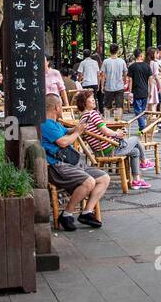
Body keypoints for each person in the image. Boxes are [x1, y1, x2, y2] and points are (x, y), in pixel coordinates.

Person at [41, 94, 110, 231]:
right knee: (89, 181)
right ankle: (66, 214)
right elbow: (63, 142)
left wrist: (80, 127)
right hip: (57, 167)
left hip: (70, 164)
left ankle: (87, 212)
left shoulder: (55, 124)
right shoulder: (45, 124)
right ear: (57, 107)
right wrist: (77, 133)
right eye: (62, 107)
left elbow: (67, 131)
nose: (62, 109)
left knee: (104, 178)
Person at [75, 89, 153, 189]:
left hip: (100, 151)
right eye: (90, 99)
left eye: (93, 98)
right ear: (84, 102)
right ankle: (144, 161)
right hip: (110, 149)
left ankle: (136, 180)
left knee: (135, 151)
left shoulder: (83, 118)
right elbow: (105, 131)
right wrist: (116, 134)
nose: (94, 100)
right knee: (135, 139)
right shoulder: (92, 114)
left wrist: (116, 134)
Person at [127, 48, 153, 131]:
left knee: (138, 110)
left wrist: (130, 92)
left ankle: (142, 127)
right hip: (145, 91)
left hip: (136, 91)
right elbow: (151, 80)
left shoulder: (132, 67)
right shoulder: (147, 66)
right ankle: (142, 127)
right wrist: (151, 91)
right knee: (142, 110)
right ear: (141, 55)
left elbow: (130, 80)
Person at [102, 44, 128, 120]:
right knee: (119, 106)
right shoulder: (122, 61)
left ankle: (107, 122)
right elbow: (125, 73)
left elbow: (103, 75)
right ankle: (118, 122)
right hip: (119, 86)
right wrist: (124, 81)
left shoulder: (106, 61)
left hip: (108, 87)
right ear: (117, 51)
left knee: (107, 106)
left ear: (110, 51)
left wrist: (102, 86)